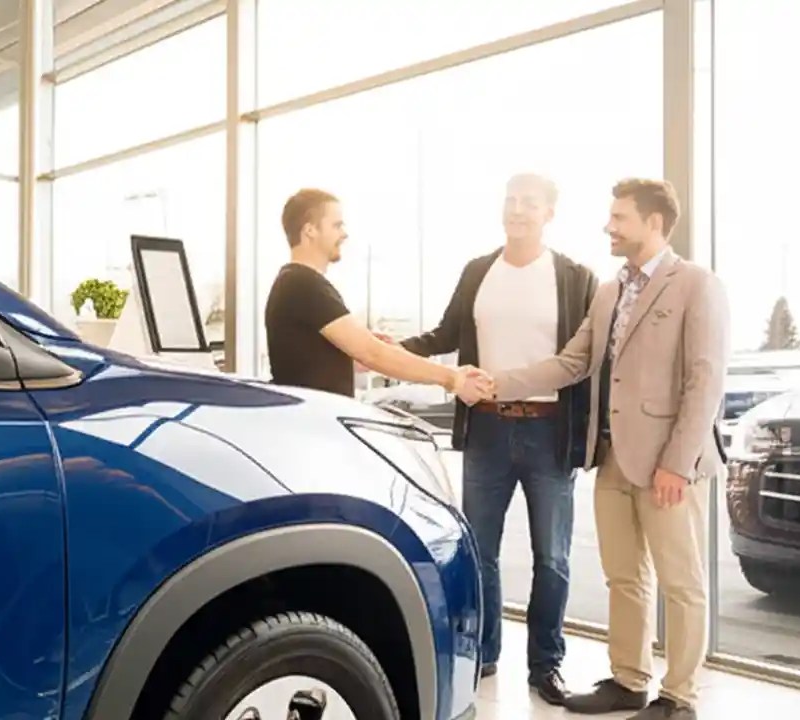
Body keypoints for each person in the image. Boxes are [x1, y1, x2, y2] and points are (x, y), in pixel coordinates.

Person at [484, 178, 729, 720]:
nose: (608, 226)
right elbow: (573, 361)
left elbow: (705, 383)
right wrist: (496, 382)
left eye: (620, 218)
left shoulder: (695, 284)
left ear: (655, 224)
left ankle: (680, 697)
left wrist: (677, 462)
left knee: (681, 583)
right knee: (625, 576)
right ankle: (629, 679)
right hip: (613, 456)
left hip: (670, 463)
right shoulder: (611, 289)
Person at [399, 173, 598, 705]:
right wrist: (387, 347)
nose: (516, 211)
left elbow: (589, 362)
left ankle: (546, 665)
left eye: (528, 203)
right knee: (478, 549)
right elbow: (445, 336)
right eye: (510, 201)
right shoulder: (478, 271)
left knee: (551, 557)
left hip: (548, 431)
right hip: (486, 427)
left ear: (549, 213)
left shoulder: (575, 277)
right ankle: (484, 656)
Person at [264, 188, 491, 404]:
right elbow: (372, 353)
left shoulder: (294, 282)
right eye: (336, 225)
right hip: (314, 427)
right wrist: (453, 378)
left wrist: (351, 359)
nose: (344, 234)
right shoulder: (304, 284)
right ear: (310, 230)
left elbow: (316, 360)